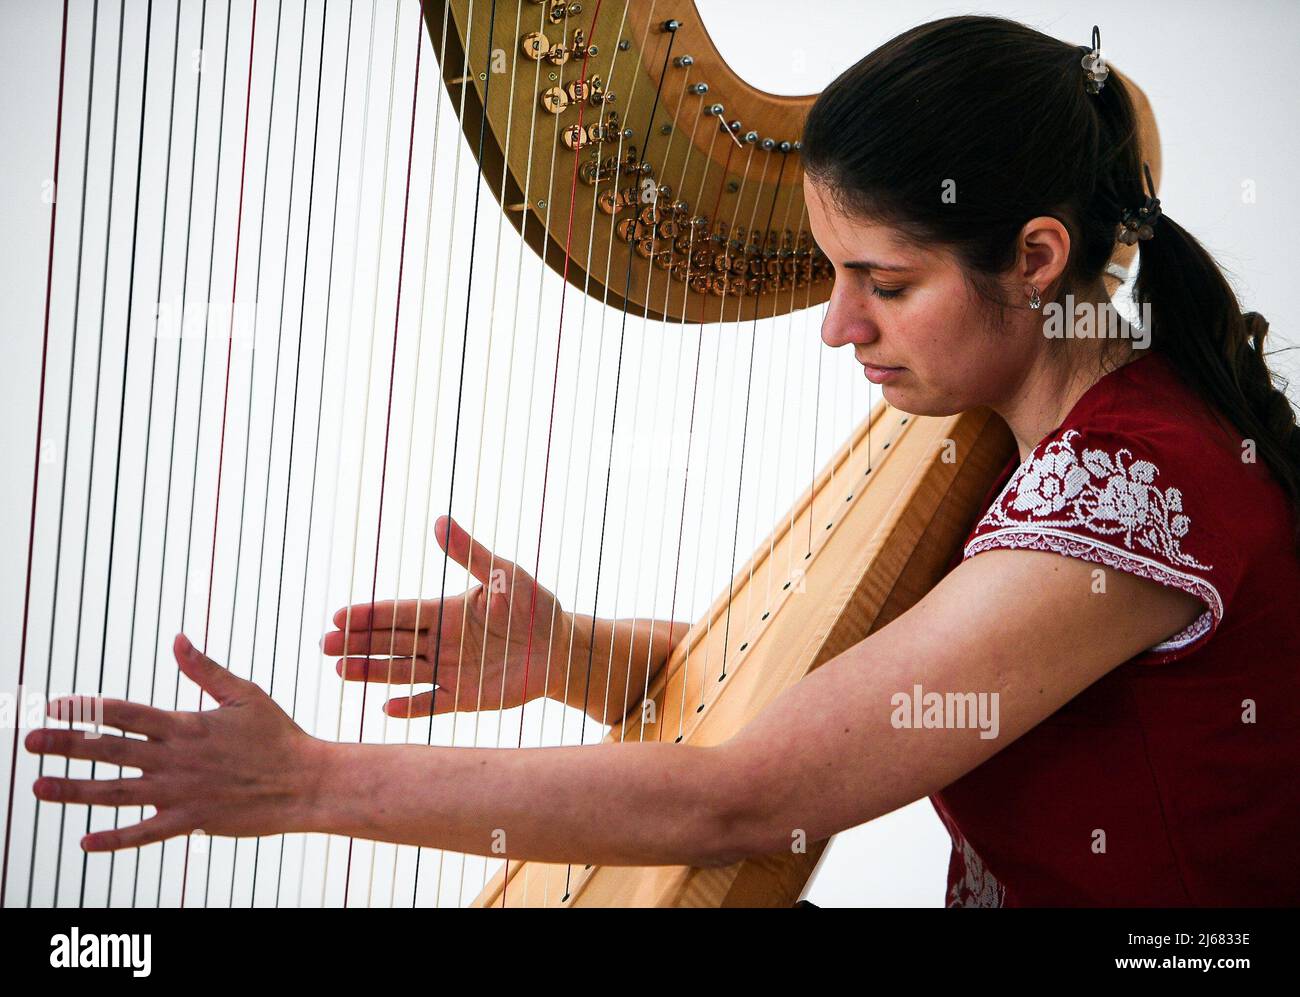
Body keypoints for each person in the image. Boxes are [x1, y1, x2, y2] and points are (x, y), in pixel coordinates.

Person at [27, 15, 1300, 905]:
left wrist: (302, 781)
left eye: (885, 282)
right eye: (830, 271)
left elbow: (742, 799)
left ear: (1032, 260)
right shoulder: (1069, 435)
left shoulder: (1137, 494)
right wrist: (572, 656)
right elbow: (867, 696)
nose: (837, 325)